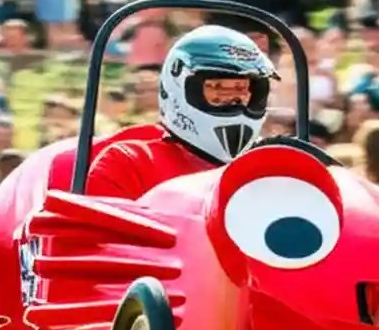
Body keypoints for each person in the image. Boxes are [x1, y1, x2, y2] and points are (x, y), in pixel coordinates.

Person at [86, 26, 278, 200]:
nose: (233, 102)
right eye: (217, 88)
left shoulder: (270, 165)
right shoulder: (130, 163)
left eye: (240, 90)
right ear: (179, 85)